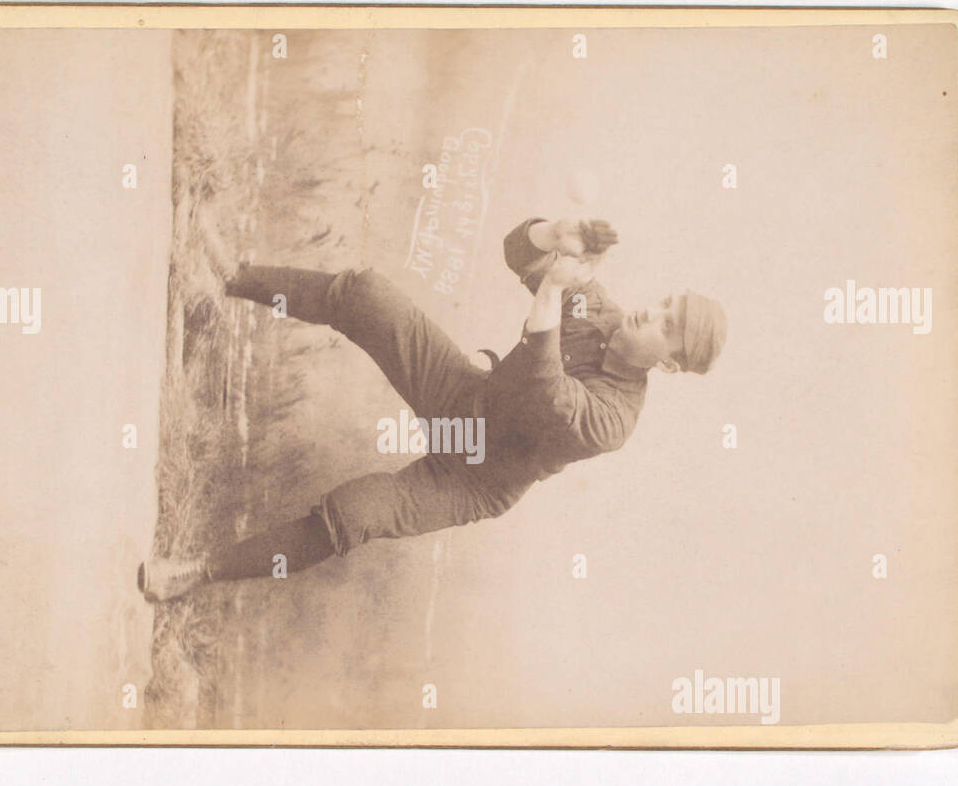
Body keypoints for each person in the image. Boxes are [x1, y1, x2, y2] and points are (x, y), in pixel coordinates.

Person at [138, 215, 728, 602]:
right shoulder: (600, 309)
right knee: (365, 295)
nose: (653, 313)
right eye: (665, 302)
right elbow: (516, 253)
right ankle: (229, 278)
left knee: (352, 516)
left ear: (669, 365)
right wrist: (557, 236)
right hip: (464, 397)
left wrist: (553, 290)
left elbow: (543, 393)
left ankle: (198, 572)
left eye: (668, 326)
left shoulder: (616, 420)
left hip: (470, 478)